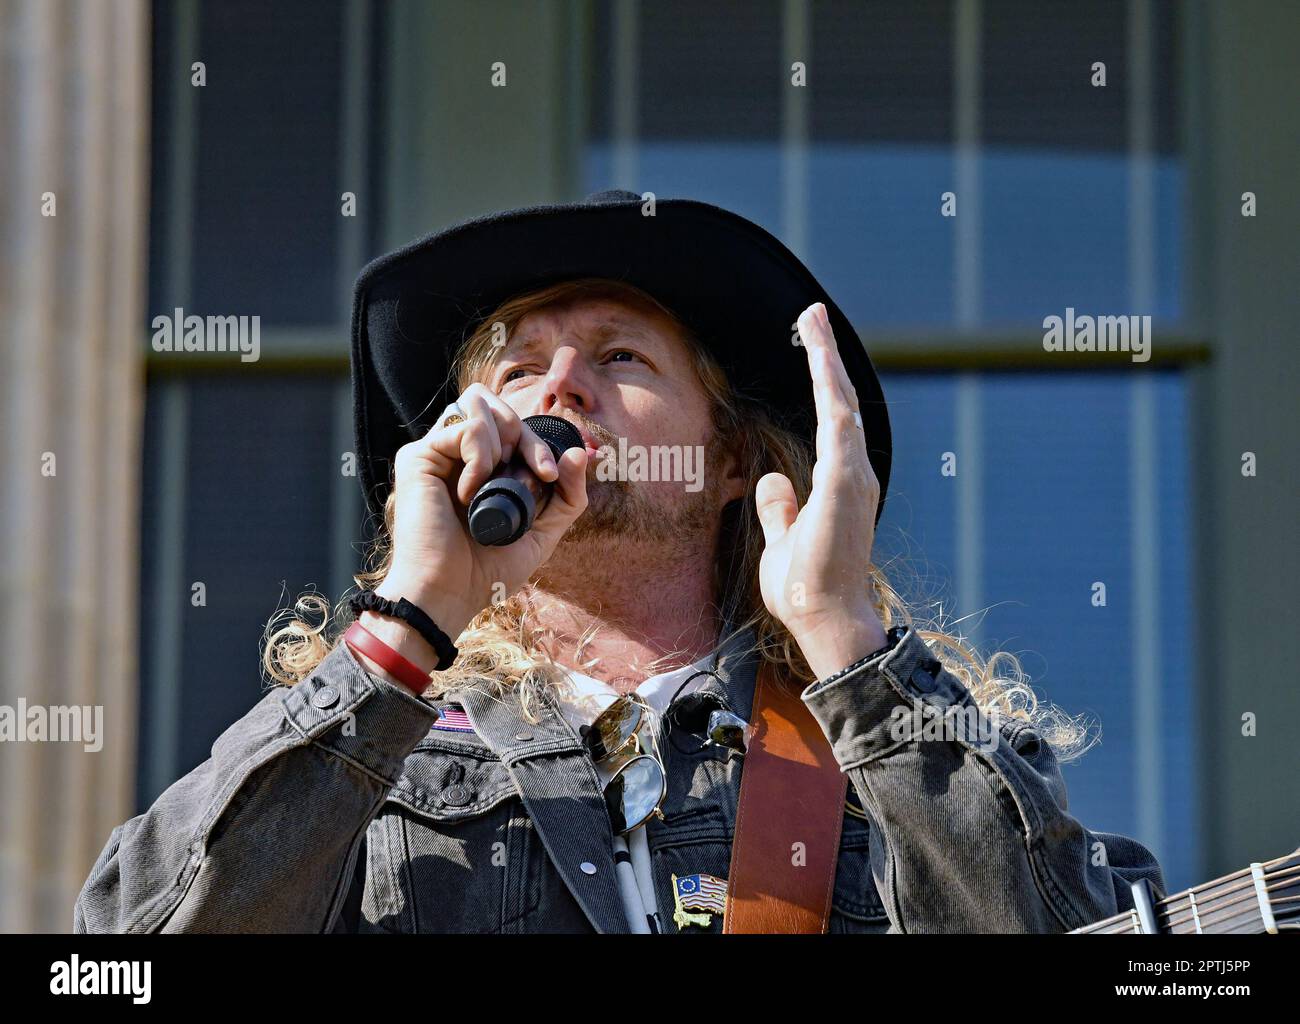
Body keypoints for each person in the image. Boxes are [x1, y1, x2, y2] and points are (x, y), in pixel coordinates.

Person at [74, 190, 1164, 934]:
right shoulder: (368, 757)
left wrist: (847, 644)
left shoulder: (878, 747)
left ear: (733, 456)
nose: (559, 388)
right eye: (519, 365)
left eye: (618, 356)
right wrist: (404, 629)